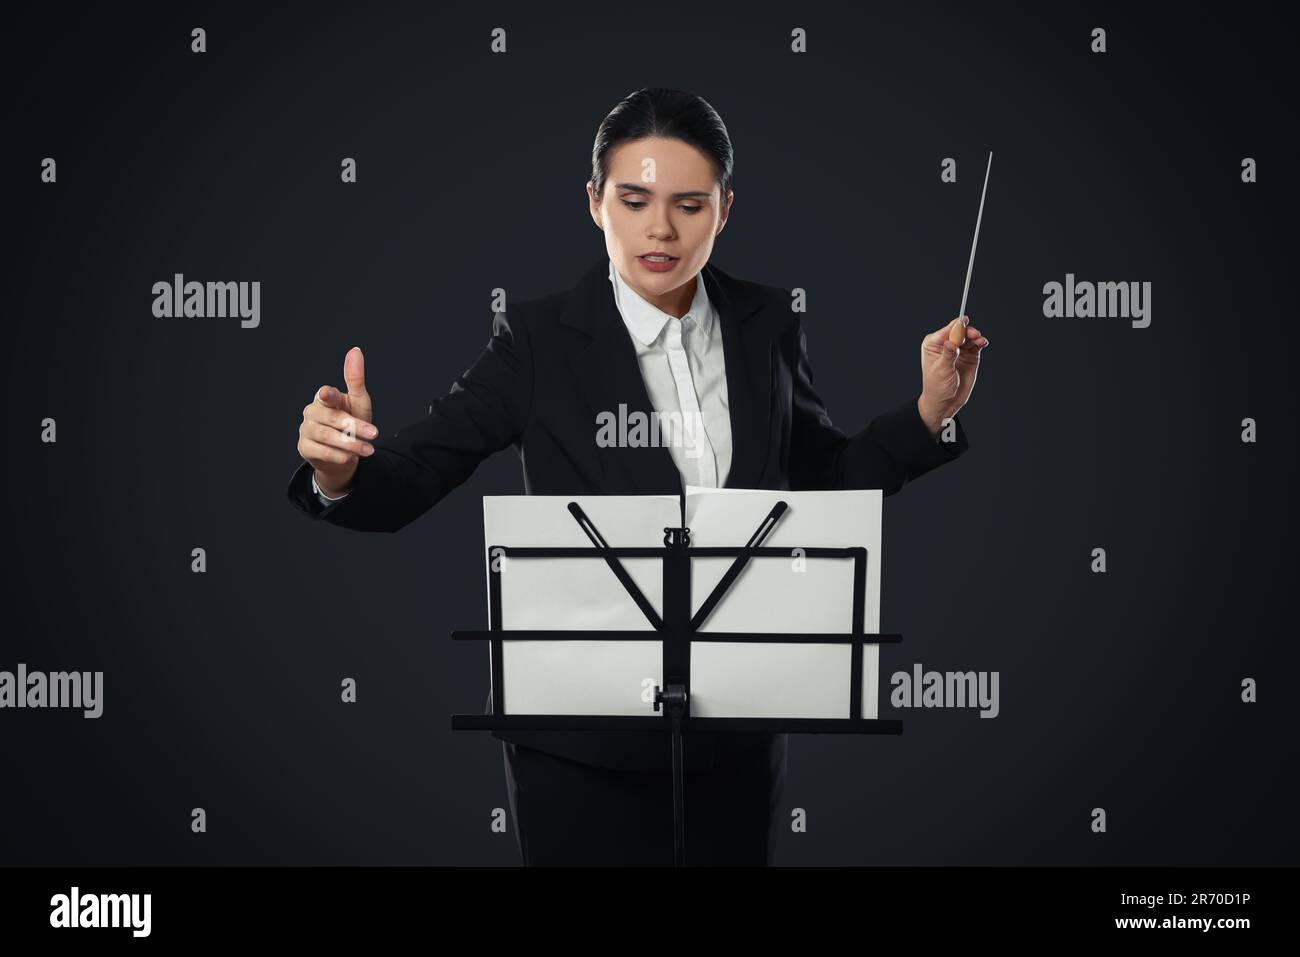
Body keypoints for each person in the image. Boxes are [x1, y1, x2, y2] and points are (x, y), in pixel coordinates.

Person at [286, 87, 989, 865]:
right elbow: (418, 470)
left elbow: (820, 484)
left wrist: (929, 410)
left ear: (726, 208)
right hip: (579, 752)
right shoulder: (537, 341)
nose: (661, 228)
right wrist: (341, 471)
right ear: (594, 203)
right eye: (634, 199)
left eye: (690, 203)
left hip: (738, 742)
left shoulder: (767, 329)